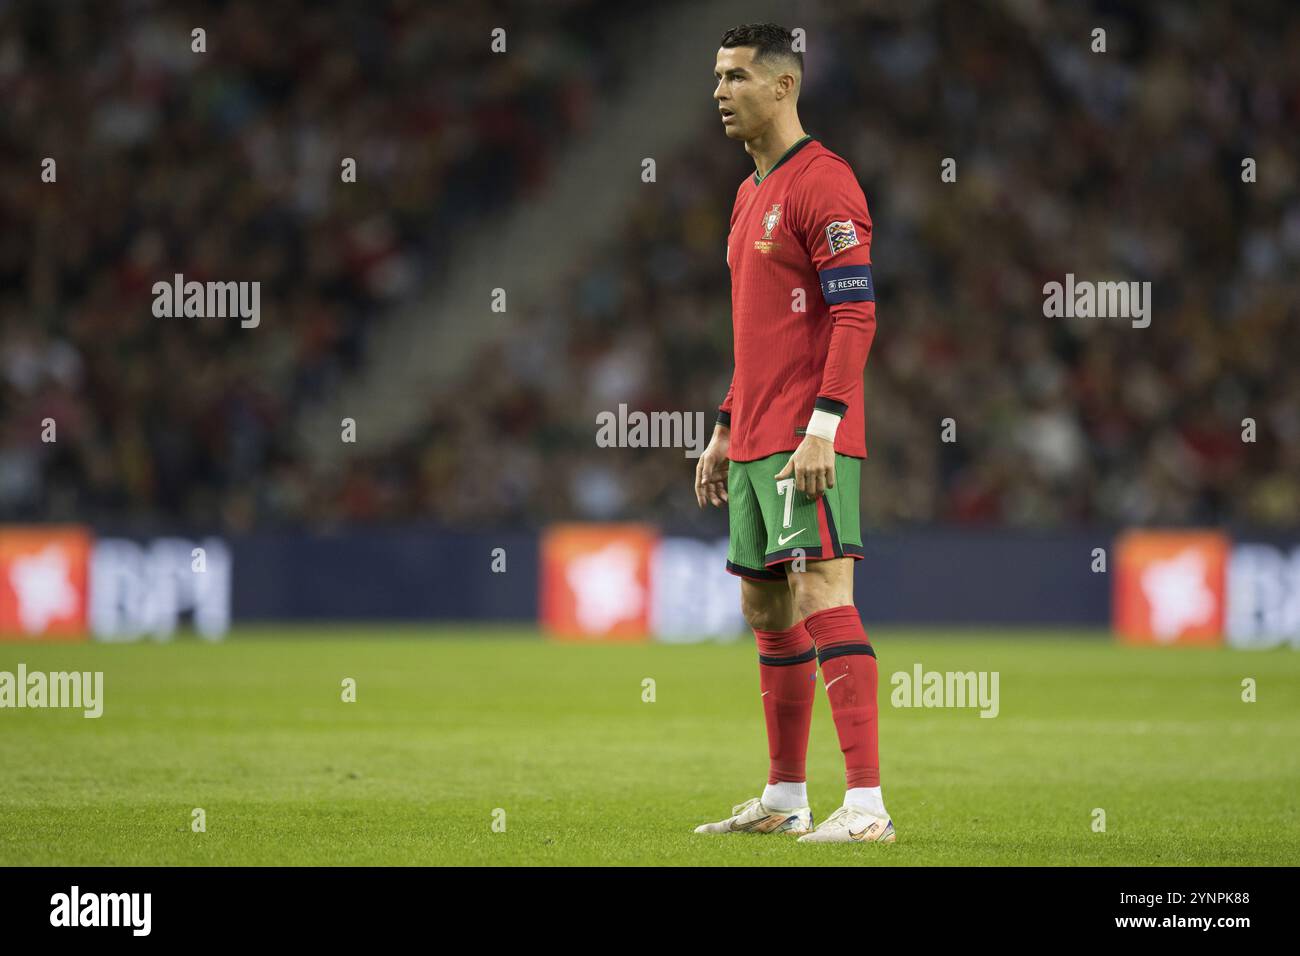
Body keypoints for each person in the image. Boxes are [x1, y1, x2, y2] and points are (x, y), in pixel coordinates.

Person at [693, 22, 893, 844]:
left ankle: (868, 807)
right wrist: (724, 424)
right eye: (716, 77)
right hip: (754, 433)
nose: (720, 92)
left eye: (737, 76)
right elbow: (757, 329)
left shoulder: (826, 183)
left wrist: (824, 425)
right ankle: (784, 799)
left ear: (783, 86)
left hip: (809, 436)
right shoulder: (747, 195)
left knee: (821, 594)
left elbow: (856, 313)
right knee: (764, 603)